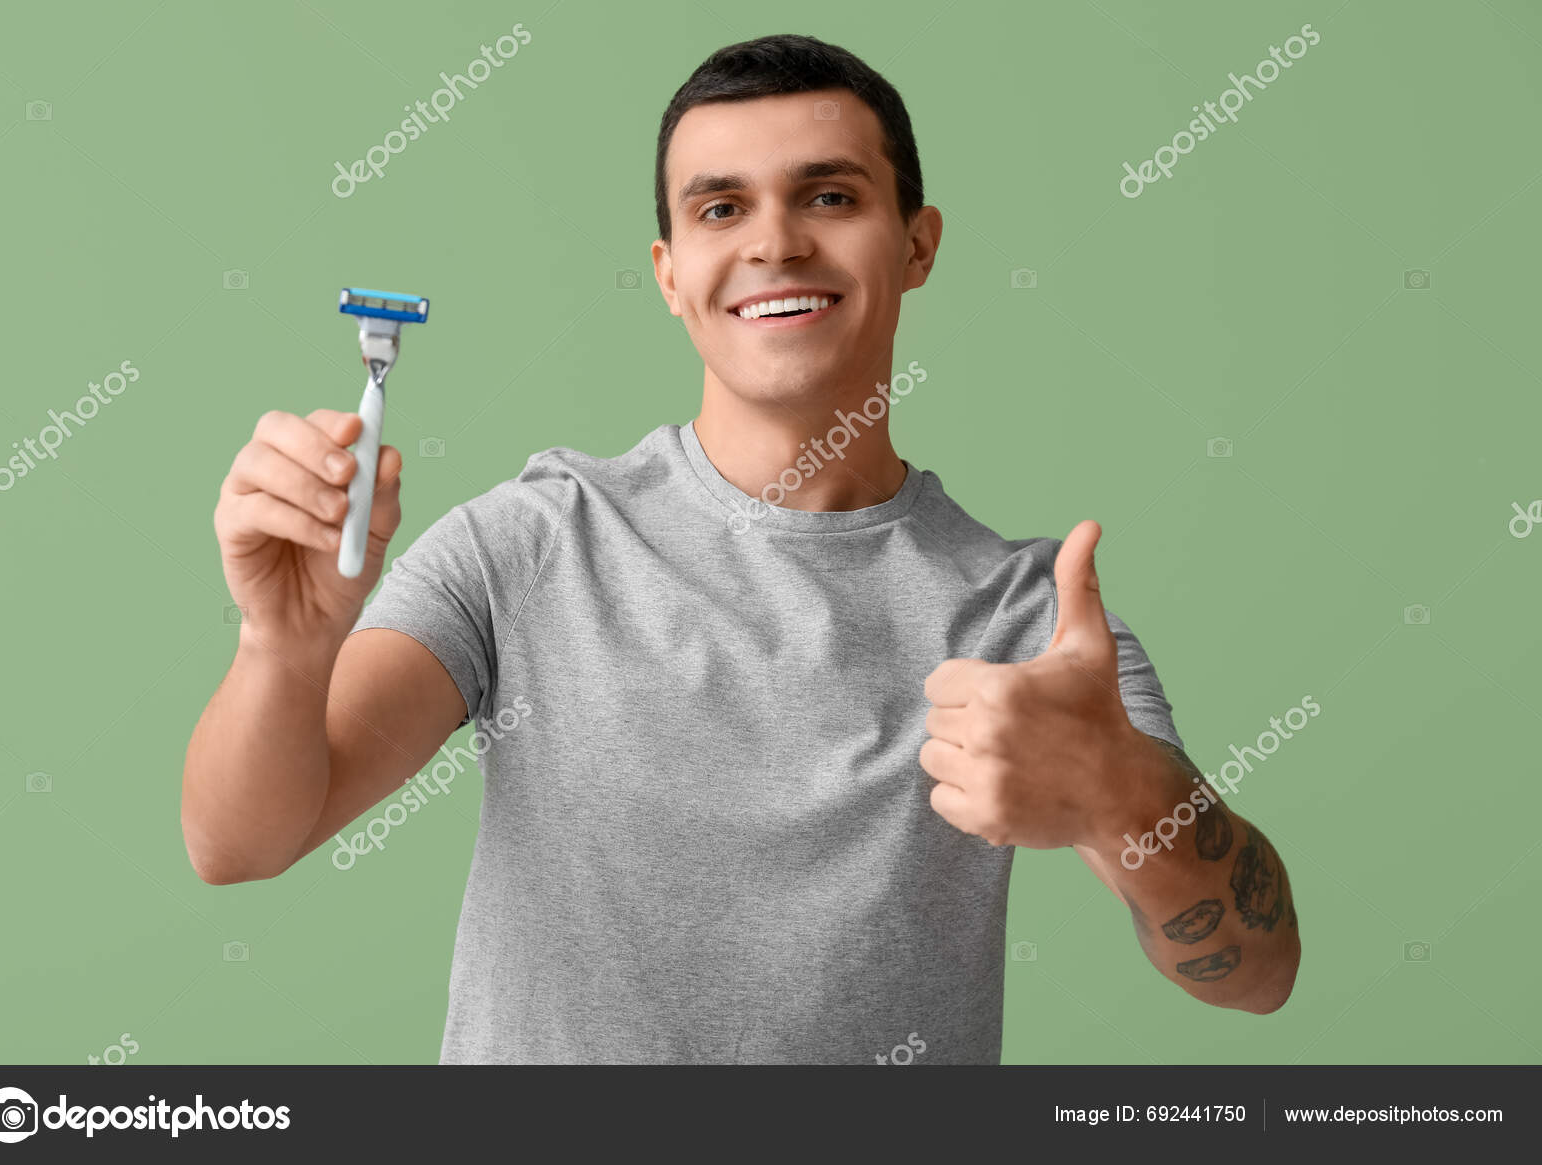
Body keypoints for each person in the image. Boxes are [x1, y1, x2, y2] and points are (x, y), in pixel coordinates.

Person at [183, 33, 1299, 1064]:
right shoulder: (529, 542)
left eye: (828, 194)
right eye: (721, 209)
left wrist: (1123, 788)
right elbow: (240, 841)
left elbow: (1256, 973)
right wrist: (283, 647)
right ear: (670, 274)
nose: (774, 241)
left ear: (916, 244)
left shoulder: (1032, 620)